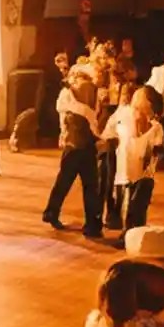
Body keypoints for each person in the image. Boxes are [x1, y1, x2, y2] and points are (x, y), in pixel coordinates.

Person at [44, 69, 104, 237]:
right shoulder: (87, 92)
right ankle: (92, 225)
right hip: (84, 144)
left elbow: (63, 114)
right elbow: (93, 117)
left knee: (64, 181)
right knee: (90, 186)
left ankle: (51, 212)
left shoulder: (68, 94)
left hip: (73, 144)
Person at [105, 86, 164, 233]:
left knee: (137, 206)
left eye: (140, 96)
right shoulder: (124, 117)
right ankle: (127, 233)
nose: (134, 98)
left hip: (144, 175)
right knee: (126, 204)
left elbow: (157, 151)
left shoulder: (156, 128)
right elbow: (108, 133)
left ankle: (134, 234)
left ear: (149, 104)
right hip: (125, 171)